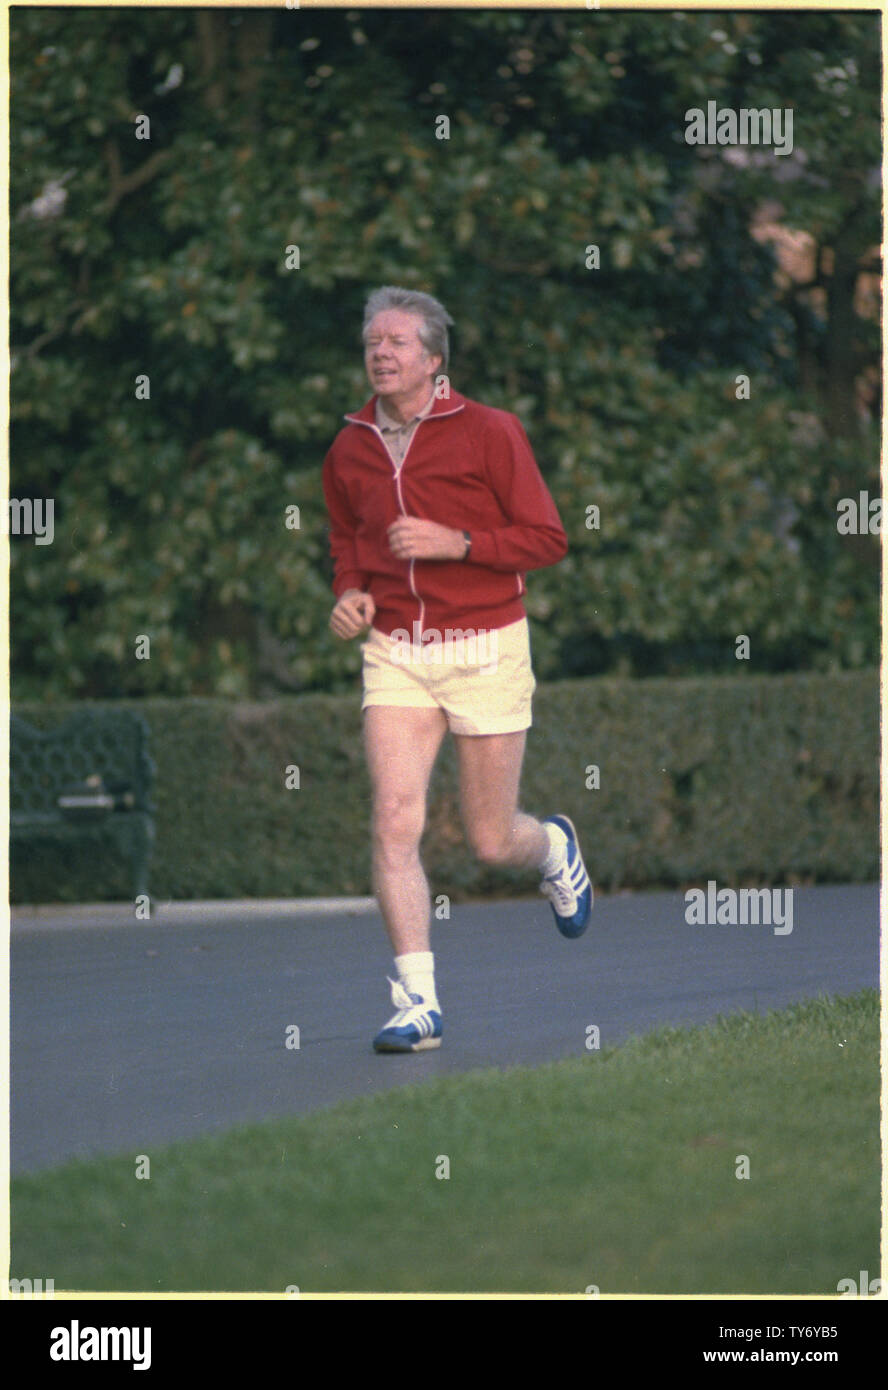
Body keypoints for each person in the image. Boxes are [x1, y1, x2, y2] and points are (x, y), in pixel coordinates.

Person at [322, 286, 592, 1053]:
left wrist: (459, 543)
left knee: (488, 840)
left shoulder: (490, 433)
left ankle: (552, 848)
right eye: (373, 340)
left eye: (397, 342)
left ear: (434, 362)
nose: (380, 351)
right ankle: (418, 1005)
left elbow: (546, 538)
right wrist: (351, 595)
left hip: (484, 644)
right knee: (395, 819)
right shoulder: (348, 446)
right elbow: (349, 538)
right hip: (398, 652)